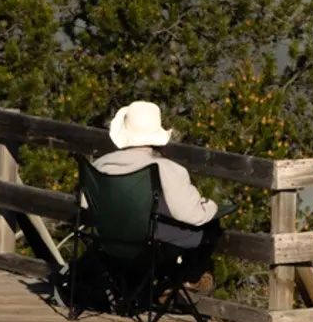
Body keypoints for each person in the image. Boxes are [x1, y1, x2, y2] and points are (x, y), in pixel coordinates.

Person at [93, 100, 222, 291]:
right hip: (149, 244)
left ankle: (144, 287)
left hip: (109, 240)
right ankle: (186, 279)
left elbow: (87, 204)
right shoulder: (166, 168)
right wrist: (212, 206)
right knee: (210, 227)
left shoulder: (101, 165)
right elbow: (193, 216)